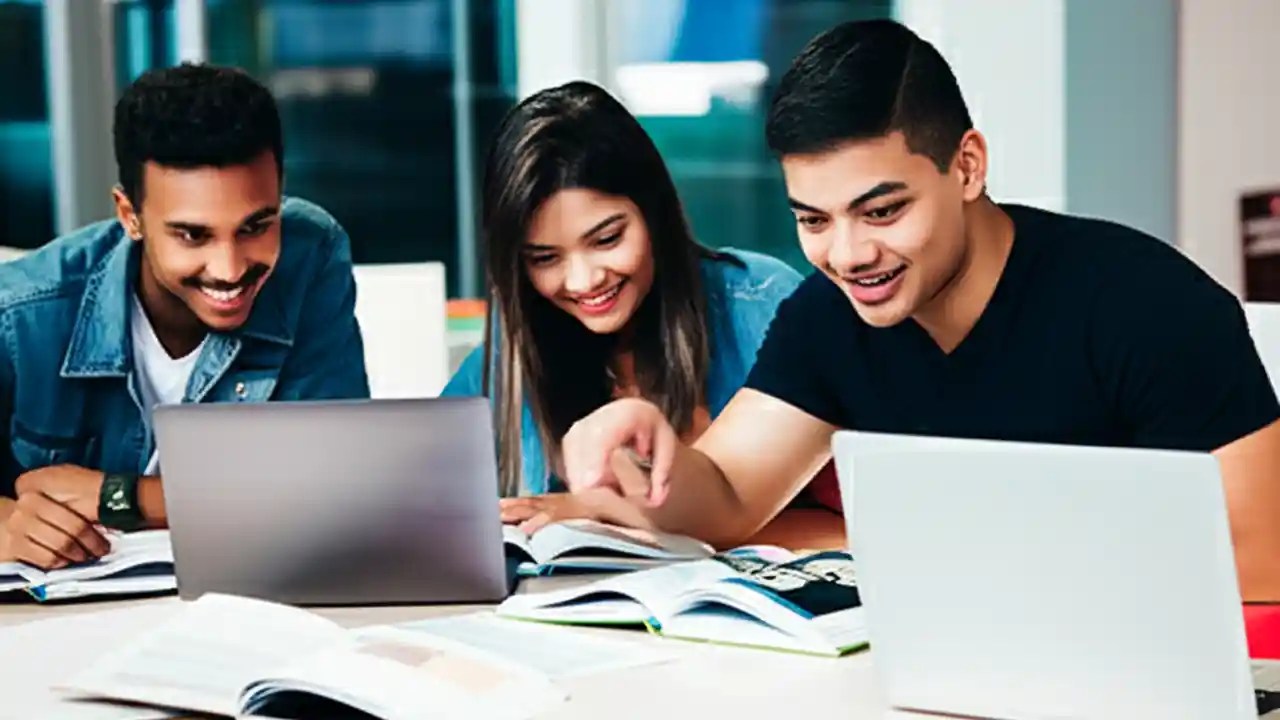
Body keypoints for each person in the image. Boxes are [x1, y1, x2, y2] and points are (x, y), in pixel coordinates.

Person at [557, 19, 1280, 601]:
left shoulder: (1150, 306)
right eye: (813, 220)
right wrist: (643, 452)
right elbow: (727, 497)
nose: (848, 254)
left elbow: (1262, 566)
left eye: (882, 210)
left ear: (966, 166)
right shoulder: (830, 314)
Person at [0, 63, 370, 569]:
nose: (230, 268)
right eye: (193, 235)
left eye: (255, 226)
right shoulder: (23, 312)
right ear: (129, 216)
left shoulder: (311, 256)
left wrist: (122, 498)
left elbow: (338, 488)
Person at [441, 81, 802, 532]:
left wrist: (593, 510)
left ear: (654, 212)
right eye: (545, 258)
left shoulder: (765, 303)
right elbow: (420, 508)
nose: (584, 280)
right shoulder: (504, 363)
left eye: (607, 239)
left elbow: (850, 513)